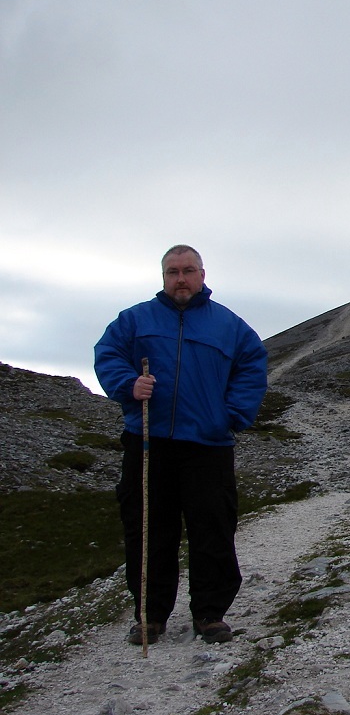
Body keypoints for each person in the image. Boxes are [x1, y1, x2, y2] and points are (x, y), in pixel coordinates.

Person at [94, 245, 268, 646]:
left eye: (188, 271)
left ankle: (210, 614)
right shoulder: (135, 320)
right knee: (150, 529)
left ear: (202, 275)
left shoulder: (229, 325)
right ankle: (150, 615)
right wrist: (127, 385)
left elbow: (252, 367)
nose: (181, 279)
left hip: (208, 445)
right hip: (148, 442)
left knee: (213, 528)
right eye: (172, 272)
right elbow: (108, 354)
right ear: (163, 277)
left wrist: (231, 416)